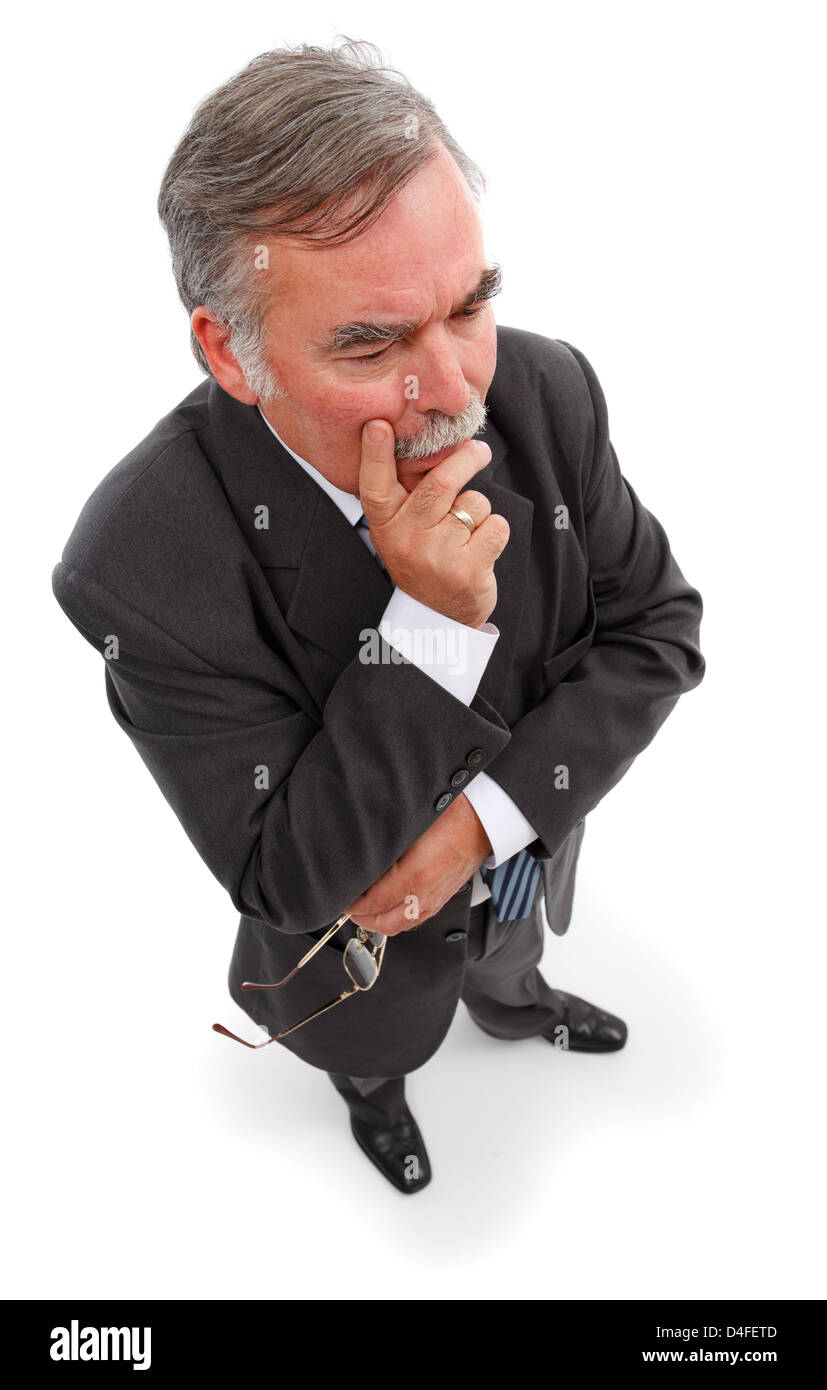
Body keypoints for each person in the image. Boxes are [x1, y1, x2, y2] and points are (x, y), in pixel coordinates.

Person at [51, 40, 705, 1195]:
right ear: (228, 350)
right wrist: (430, 620)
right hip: (354, 973)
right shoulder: (136, 566)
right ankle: (373, 1091)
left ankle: (517, 1003)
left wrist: (470, 838)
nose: (456, 390)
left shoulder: (548, 390)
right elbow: (290, 875)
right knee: (374, 1044)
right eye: (371, 341)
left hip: (516, 855)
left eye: (471, 304)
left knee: (507, 963)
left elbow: (656, 629)